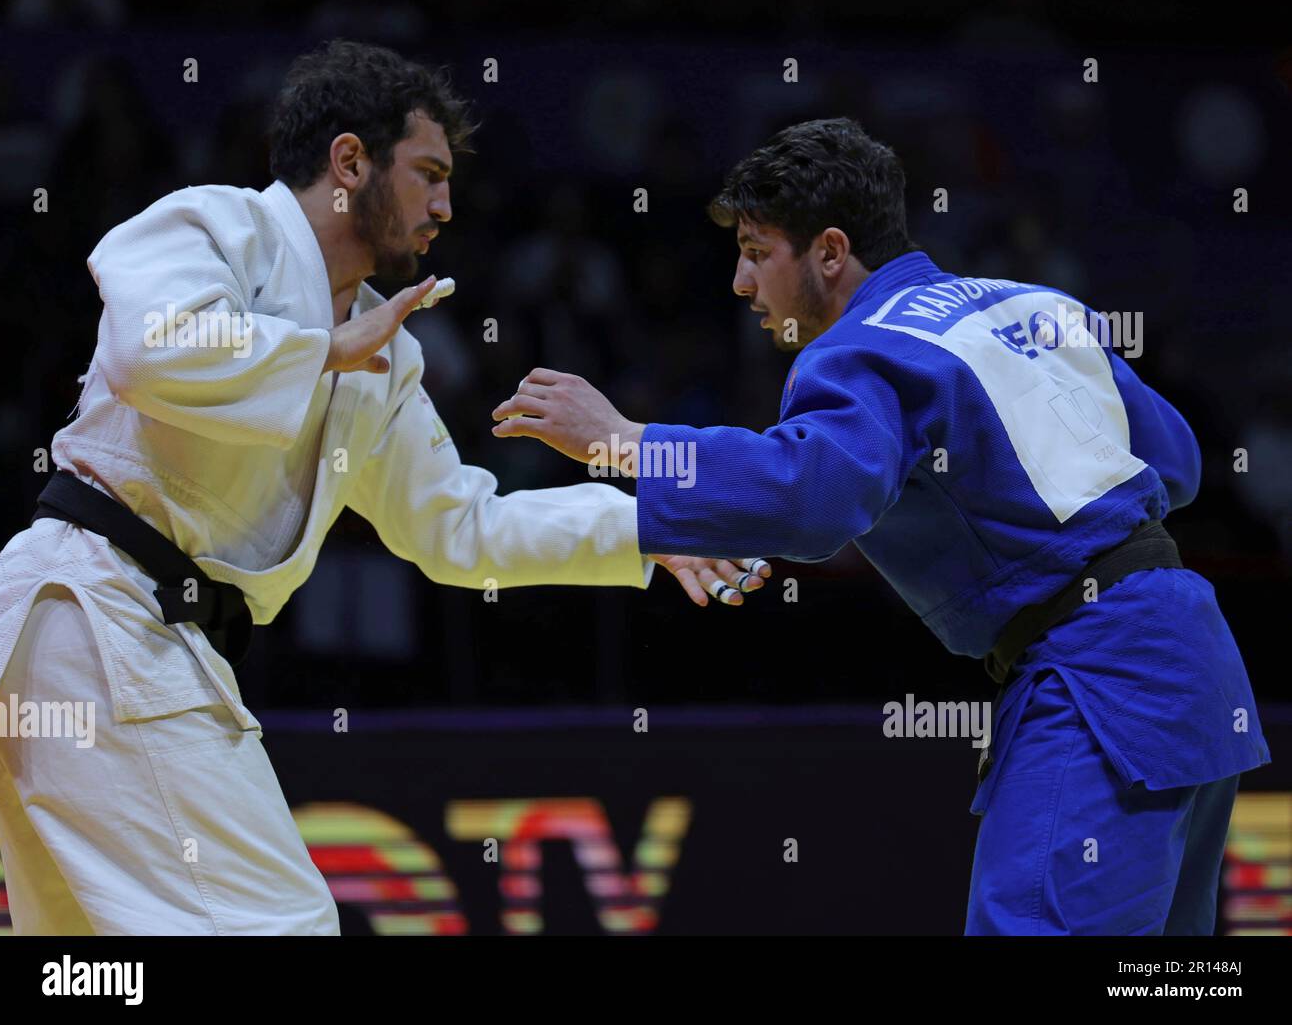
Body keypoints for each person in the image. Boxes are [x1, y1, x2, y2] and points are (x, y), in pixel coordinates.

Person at [0, 39, 768, 936]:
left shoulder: (383, 349)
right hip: (96, 618)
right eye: (428, 173)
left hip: (121, 645)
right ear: (349, 162)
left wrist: (648, 527)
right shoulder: (217, 227)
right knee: (280, 927)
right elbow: (146, 352)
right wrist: (323, 352)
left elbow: (463, 529)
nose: (444, 205)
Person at [490, 117, 1272, 935]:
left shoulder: (861, 351)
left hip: (1097, 681)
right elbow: (1174, 462)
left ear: (830, 252)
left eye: (758, 251)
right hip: (1194, 663)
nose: (739, 282)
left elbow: (811, 497)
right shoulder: (1031, 303)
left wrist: (629, 442)